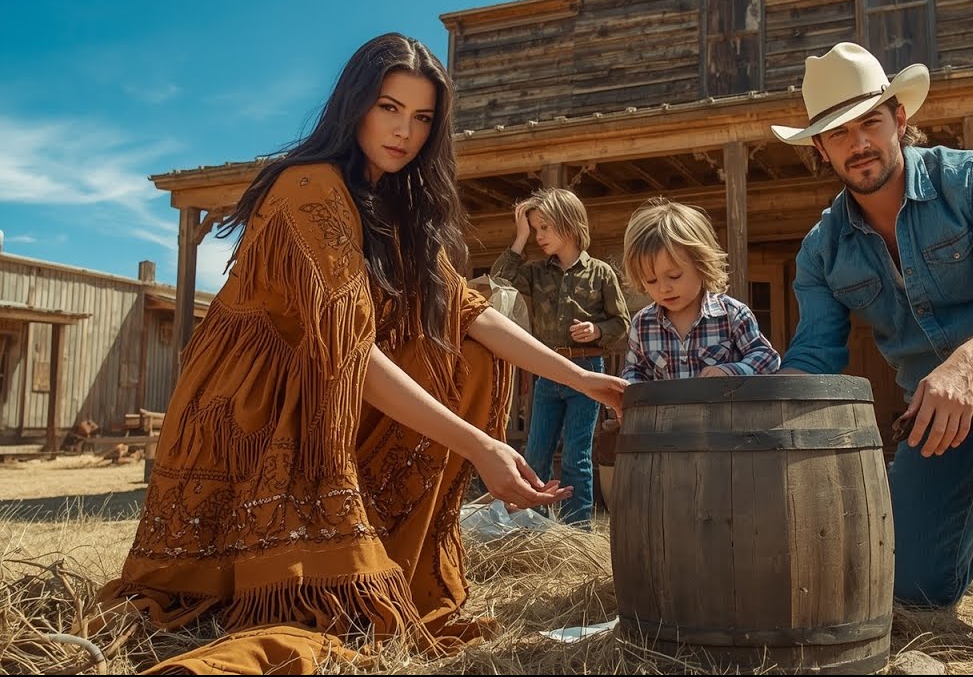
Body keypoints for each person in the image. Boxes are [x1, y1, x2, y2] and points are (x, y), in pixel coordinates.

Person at [94, 33, 628, 674]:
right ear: (354, 106)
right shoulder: (309, 187)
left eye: (423, 117)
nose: (405, 131)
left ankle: (382, 544)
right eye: (389, 107)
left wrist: (585, 379)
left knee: (466, 348)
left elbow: (472, 312)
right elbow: (348, 353)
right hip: (253, 407)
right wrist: (480, 446)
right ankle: (321, 548)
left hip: (325, 386)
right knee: (331, 614)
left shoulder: (401, 205)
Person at [771, 42, 973, 654]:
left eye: (870, 121)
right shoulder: (822, 251)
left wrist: (968, 363)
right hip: (940, 422)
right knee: (912, 587)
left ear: (899, 117)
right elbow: (814, 358)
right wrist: (754, 419)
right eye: (838, 134)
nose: (858, 143)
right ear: (821, 149)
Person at [490, 188, 630, 527]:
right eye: (534, 229)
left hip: (587, 370)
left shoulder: (600, 273)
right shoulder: (537, 272)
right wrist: (519, 236)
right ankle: (537, 526)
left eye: (543, 228)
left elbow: (621, 324)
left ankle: (576, 530)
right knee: (536, 454)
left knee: (575, 456)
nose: (538, 236)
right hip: (547, 370)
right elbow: (499, 279)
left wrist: (597, 331)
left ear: (568, 225)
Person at [619, 198, 780, 382]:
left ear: (701, 265)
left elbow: (767, 358)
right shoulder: (642, 324)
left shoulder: (732, 314)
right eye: (651, 280)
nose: (664, 288)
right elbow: (635, 371)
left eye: (674, 276)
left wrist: (731, 371)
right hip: (667, 411)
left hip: (724, 410)